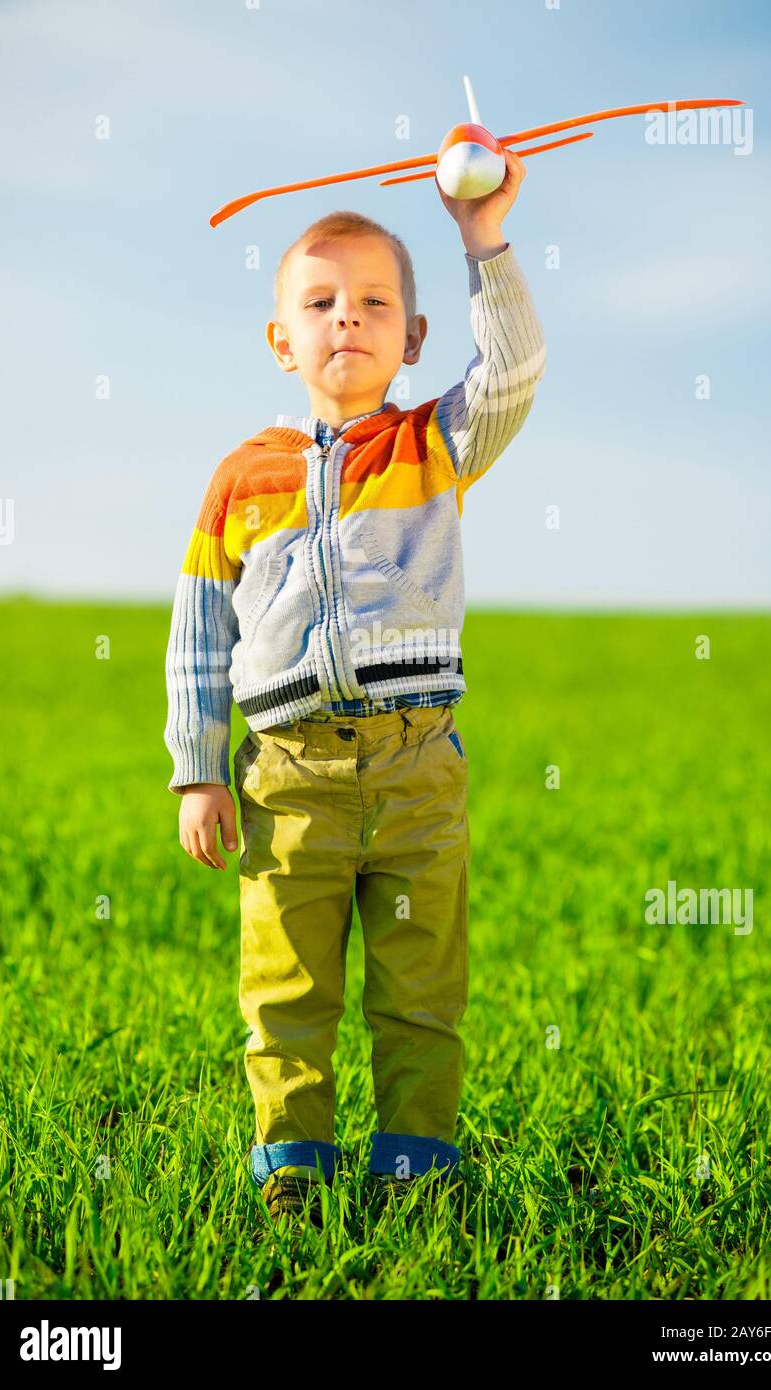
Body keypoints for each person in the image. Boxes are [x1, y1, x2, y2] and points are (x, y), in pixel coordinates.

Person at [163, 149, 546, 1220]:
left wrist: (484, 239)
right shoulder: (241, 478)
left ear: (412, 339)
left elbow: (513, 370)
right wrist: (199, 770)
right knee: (286, 990)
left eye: (376, 302)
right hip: (287, 778)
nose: (349, 319)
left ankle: (417, 1171)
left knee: (421, 989)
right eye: (321, 303)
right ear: (282, 341)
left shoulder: (432, 444)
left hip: (419, 769)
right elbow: (198, 631)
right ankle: (293, 1171)